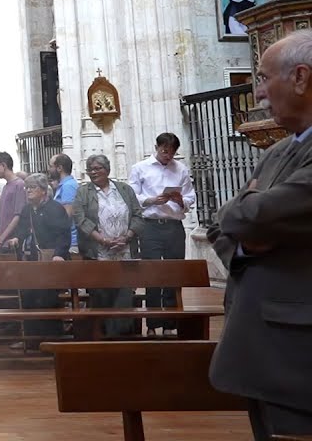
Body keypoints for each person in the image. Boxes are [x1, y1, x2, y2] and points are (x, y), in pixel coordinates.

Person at [209, 29, 312, 440]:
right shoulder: (276, 152)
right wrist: (248, 239)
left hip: (299, 355)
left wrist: (247, 217)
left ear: (301, 77)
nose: (259, 94)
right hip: (262, 344)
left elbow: (253, 213)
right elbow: (225, 224)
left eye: (264, 78)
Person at [128, 132, 195, 336]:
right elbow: (132, 196)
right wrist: (150, 200)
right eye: (165, 150)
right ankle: (153, 323)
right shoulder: (140, 168)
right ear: (156, 147)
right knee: (153, 273)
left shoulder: (181, 169)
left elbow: (191, 196)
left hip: (174, 227)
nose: (168, 155)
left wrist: (181, 200)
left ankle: (170, 324)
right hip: (150, 226)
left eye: (172, 152)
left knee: (173, 274)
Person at [72, 154, 144, 337]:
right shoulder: (84, 192)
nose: (93, 172)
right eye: (90, 169)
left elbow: (138, 215)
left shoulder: (124, 189)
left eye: (97, 168)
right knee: (102, 295)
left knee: (123, 295)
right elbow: (80, 218)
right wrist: (101, 239)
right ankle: (102, 337)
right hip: (99, 253)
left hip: (124, 251)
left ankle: (122, 338)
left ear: (107, 170)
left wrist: (127, 236)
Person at [6, 173, 71, 344]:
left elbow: (63, 235)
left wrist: (59, 254)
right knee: (29, 298)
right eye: (26, 188)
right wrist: (17, 238)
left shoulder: (55, 208)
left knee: (47, 299)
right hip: (32, 261)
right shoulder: (27, 209)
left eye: (32, 188)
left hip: (51, 261)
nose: (28, 191)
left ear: (43, 191)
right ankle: (30, 339)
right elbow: (22, 229)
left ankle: (52, 339)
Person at [0, 151, 27, 250]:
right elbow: (4, 211)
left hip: (10, 241)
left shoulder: (19, 184)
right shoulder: (6, 186)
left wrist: (1, 239)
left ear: (3, 165)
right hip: (1, 239)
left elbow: (17, 216)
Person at [49, 153, 79, 250]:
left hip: (70, 242)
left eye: (51, 166)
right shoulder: (63, 185)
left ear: (59, 168)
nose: (49, 169)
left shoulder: (68, 186)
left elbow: (67, 214)